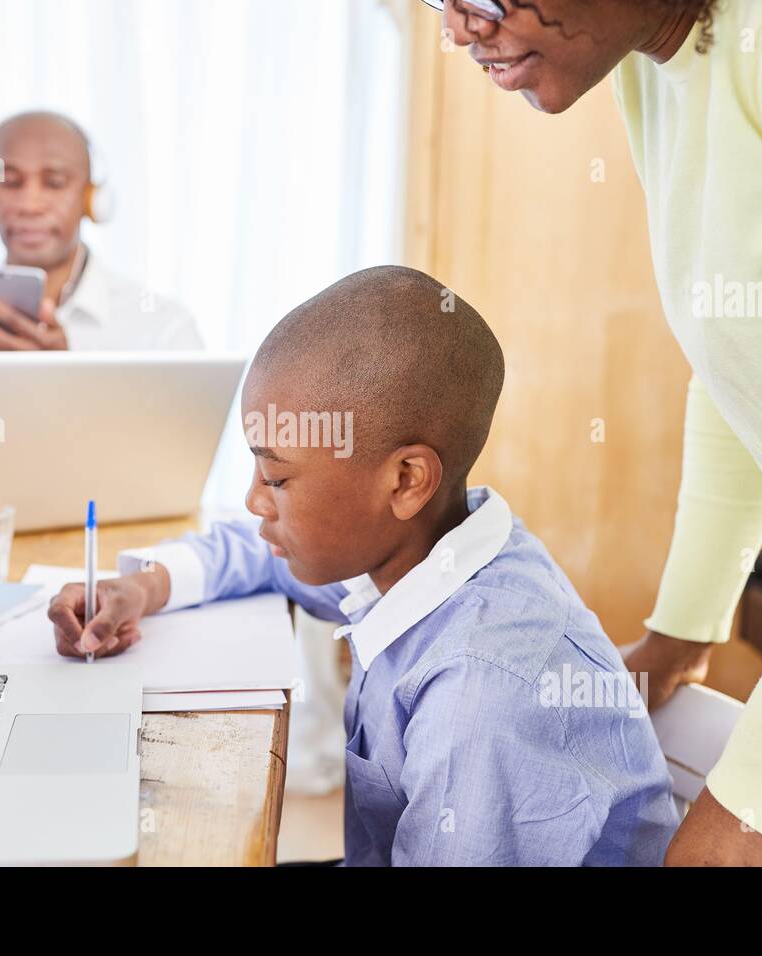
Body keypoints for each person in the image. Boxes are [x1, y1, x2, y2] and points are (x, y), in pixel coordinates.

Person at [429, 0, 762, 865]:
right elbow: (744, 352)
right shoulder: (655, 56)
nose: (458, 28)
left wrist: (754, 799)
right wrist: (686, 625)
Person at [46, 266, 679, 865]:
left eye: (277, 476)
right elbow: (256, 553)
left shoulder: (478, 697)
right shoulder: (425, 548)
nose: (252, 499)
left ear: (405, 480)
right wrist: (139, 587)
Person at [0, 111, 203, 452]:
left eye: (55, 182)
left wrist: (67, 384)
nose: (29, 204)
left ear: (93, 200)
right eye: (10, 181)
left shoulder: (164, 329)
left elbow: (173, 469)